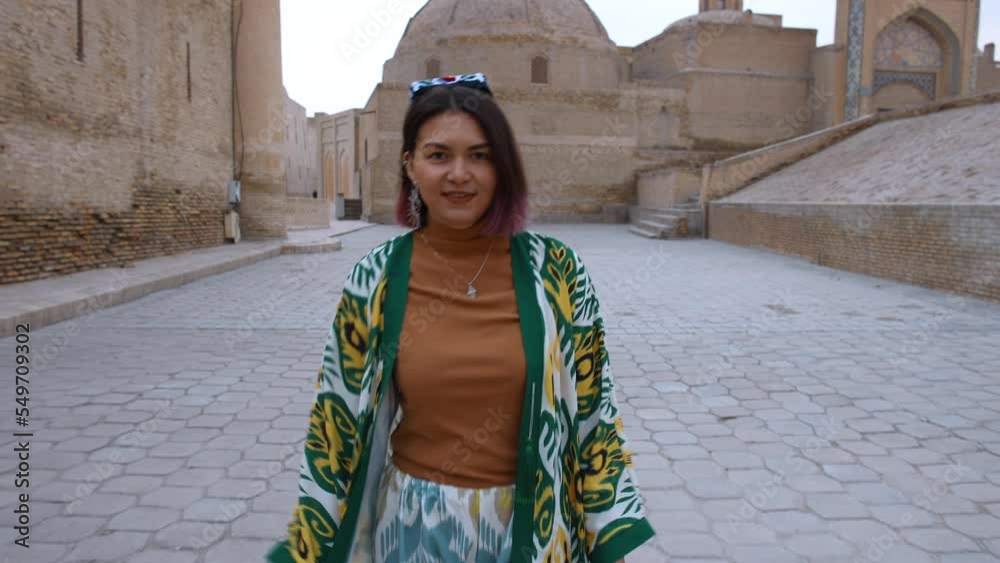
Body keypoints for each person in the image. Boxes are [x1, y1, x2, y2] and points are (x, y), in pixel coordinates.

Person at [267, 73, 654, 563]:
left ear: (503, 166)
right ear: (409, 165)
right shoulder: (376, 278)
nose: (458, 174)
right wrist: (310, 540)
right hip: (415, 529)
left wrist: (608, 538)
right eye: (438, 155)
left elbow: (595, 412)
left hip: (536, 529)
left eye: (480, 155)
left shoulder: (557, 272)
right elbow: (336, 420)